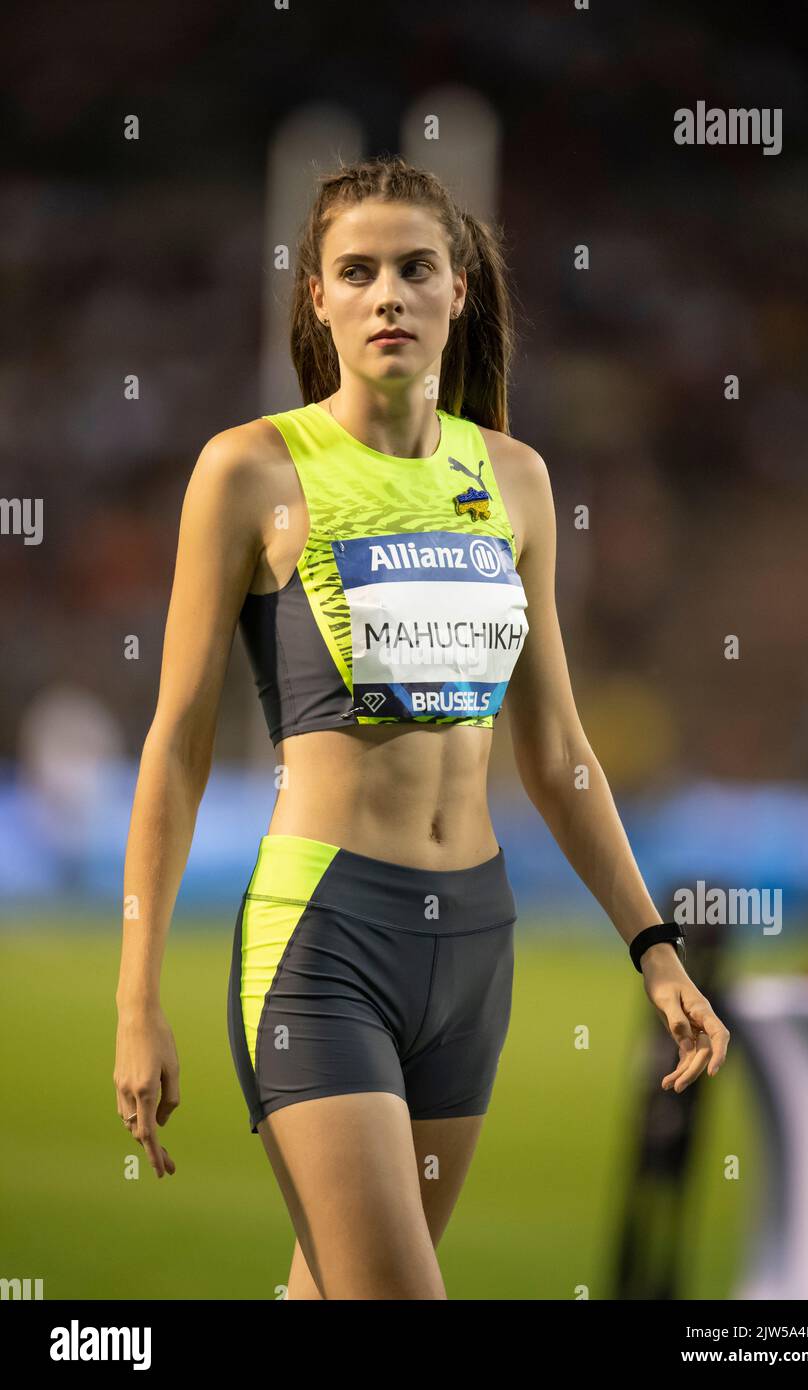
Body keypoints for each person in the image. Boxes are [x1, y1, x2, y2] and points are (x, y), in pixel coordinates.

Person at [113, 154, 729, 1300]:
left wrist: (653, 946)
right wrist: (136, 998)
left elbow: (556, 752)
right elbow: (174, 746)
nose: (386, 293)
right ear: (318, 299)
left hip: (472, 946)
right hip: (324, 942)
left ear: (458, 292)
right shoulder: (250, 470)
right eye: (356, 271)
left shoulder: (516, 479)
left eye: (413, 268)